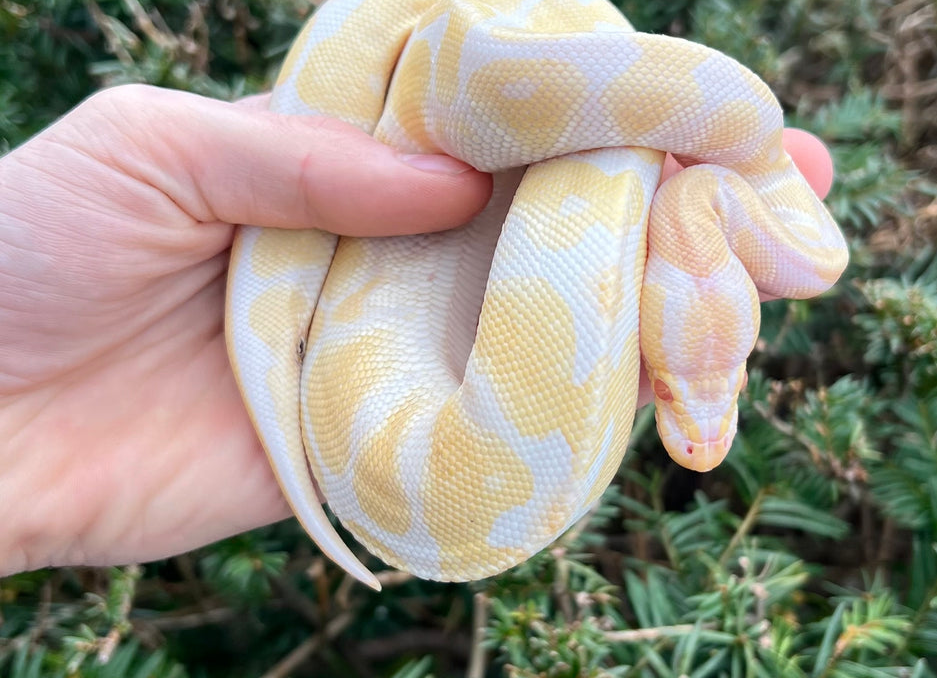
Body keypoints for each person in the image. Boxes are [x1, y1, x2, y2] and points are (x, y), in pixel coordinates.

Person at [0, 84, 836, 577]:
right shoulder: (704, 215)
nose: (699, 439)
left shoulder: (695, 226)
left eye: (720, 380)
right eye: (691, 383)